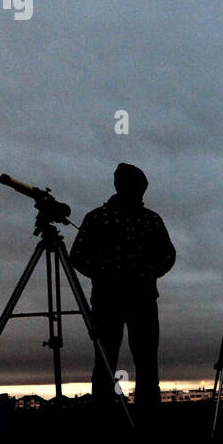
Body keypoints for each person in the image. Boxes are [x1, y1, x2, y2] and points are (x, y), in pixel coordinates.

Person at [70, 162, 176, 411]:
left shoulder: (150, 220)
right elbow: (78, 256)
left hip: (142, 300)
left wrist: (148, 273)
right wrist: (106, 275)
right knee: (107, 362)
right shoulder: (98, 218)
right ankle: (105, 415)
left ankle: (145, 415)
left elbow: (168, 254)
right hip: (110, 301)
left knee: (146, 362)